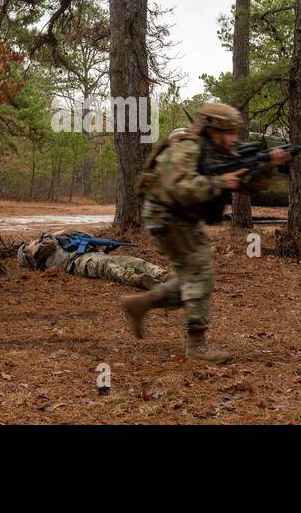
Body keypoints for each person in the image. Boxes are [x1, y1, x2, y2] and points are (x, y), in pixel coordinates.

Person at [122, 102, 291, 363]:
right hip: (165, 216)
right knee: (200, 272)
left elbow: (248, 185)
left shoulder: (221, 153)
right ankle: (197, 346)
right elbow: (178, 188)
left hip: (182, 218)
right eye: (230, 132)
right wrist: (218, 182)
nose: (235, 138)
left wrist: (269, 165)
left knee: (193, 277)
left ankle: (141, 303)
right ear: (213, 130)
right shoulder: (186, 147)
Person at [17, 229, 170, 289]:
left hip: (93, 255)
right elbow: (48, 240)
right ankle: (137, 279)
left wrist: (106, 246)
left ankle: (163, 275)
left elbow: (87, 237)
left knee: (132, 261)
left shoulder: (53, 241)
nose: (32, 242)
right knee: (108, 266)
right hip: (77, 262)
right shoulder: (39, 254)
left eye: (32, 241)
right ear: (26, 252)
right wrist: (57, 233)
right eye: (29, 244)